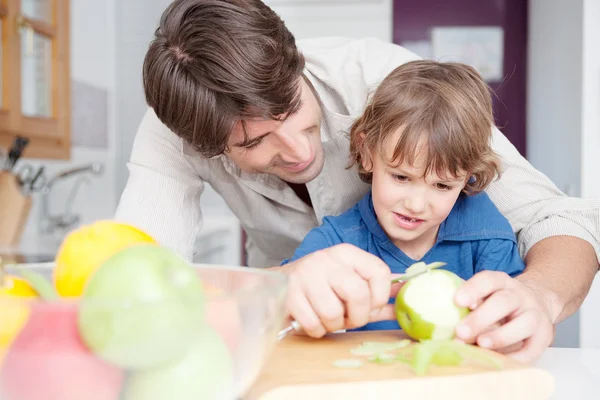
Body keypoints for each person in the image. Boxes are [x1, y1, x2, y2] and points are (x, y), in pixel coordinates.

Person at [114, 0, 600, 363]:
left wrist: (539, 293)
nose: (301, 152)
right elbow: (133, 288)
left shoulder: (393, 85)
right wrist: (280, 286)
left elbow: (559, 217)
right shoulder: (173, 133)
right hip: (285, 328)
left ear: (297, 64)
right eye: (256, 142)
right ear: (206, 145)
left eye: (293, 109)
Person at [281, 60, 526, 332]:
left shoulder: (489, 238)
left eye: (442, 186)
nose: (416, 205)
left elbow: (514, 326)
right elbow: (277, 313)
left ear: (468, 175)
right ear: (367, 151)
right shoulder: (332, 244)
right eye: (401, 177)